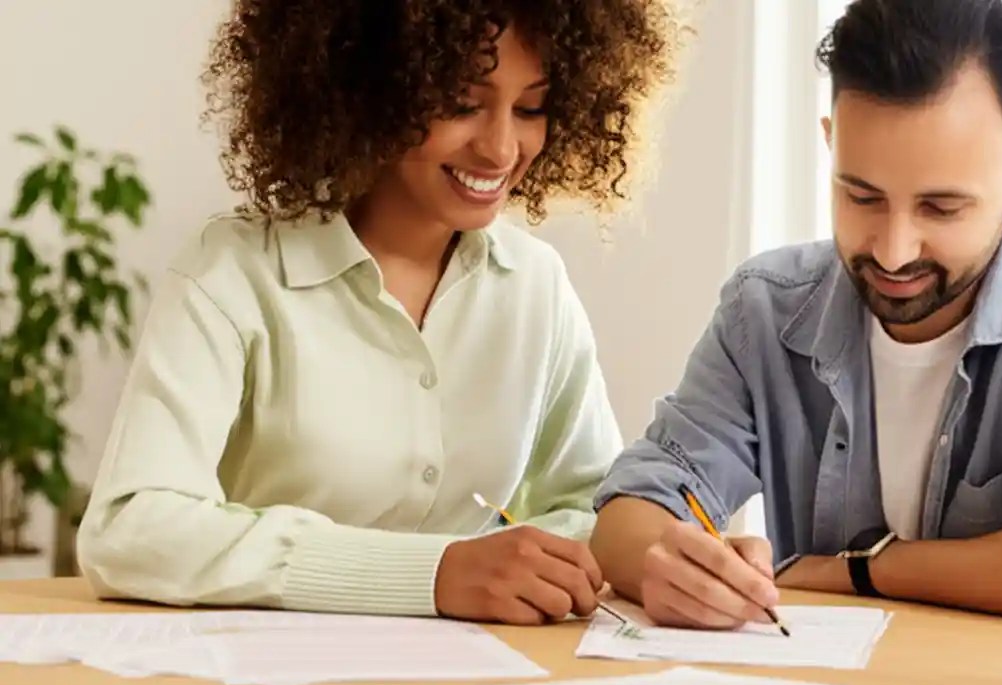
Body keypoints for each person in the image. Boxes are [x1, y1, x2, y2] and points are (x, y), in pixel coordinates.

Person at [590, 0, 1002, 631]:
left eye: (940, 208)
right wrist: (667, 565)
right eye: (862, 196)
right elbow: (631, 509)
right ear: (831, 144)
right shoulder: (765, 309)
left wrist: (861, 569)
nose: (892, 250)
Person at [77, 0, 679, 625]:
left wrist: (644, 553)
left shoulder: (535, 286)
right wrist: (434, 573)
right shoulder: (232, 272)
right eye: (462, 103)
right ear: (371, 88)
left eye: (531, 108)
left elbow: (595, 508)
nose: (502, 148)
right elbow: (129, 528)